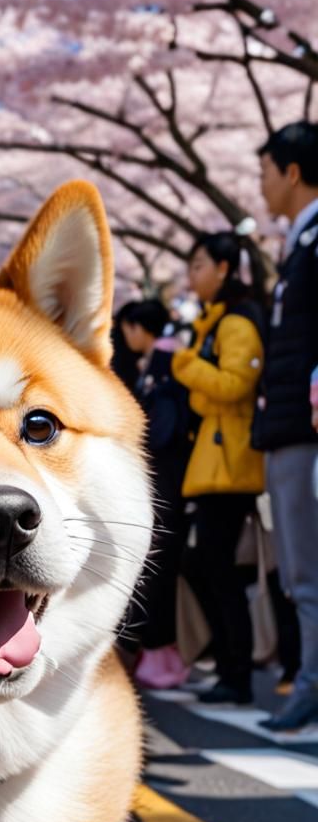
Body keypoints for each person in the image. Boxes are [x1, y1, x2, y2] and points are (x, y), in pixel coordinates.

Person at [171, 232, 266, 705]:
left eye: (200, 265)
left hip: (229, 464)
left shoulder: (234, 323)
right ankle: (230, 664)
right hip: (215, 465)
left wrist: (187, 366)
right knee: (207, 565)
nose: (193, 275)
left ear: (225, 269)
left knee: (215, 567)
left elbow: (234, 385)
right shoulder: (215, 323)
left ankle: (237, 671)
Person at [255, 121, 318, 731]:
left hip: (305, 427)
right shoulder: (302, 244)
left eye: (266, 171)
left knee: (307, 567)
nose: (261, 185)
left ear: (292, 172)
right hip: (294, 424)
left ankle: (313, 685)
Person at [120, 299, 192, 688]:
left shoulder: (165, 362)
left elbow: (160, 428)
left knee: (158, 576)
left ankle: (161, 657)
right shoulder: (163, 360)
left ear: (138, 327)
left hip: (165, 482)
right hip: (171, 481)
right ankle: (157, 657)